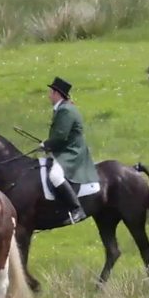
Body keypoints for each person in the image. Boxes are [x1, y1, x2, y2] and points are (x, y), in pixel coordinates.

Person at [42, 77, 96, 222]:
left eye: (50, 92)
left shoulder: (65, 110)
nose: (48, 95)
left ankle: (76, 209)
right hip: (65, 149)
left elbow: (61, 136)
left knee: (55, 176)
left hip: (71, 152)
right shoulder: (63, 108)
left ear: (56, 93)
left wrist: (46, 145)